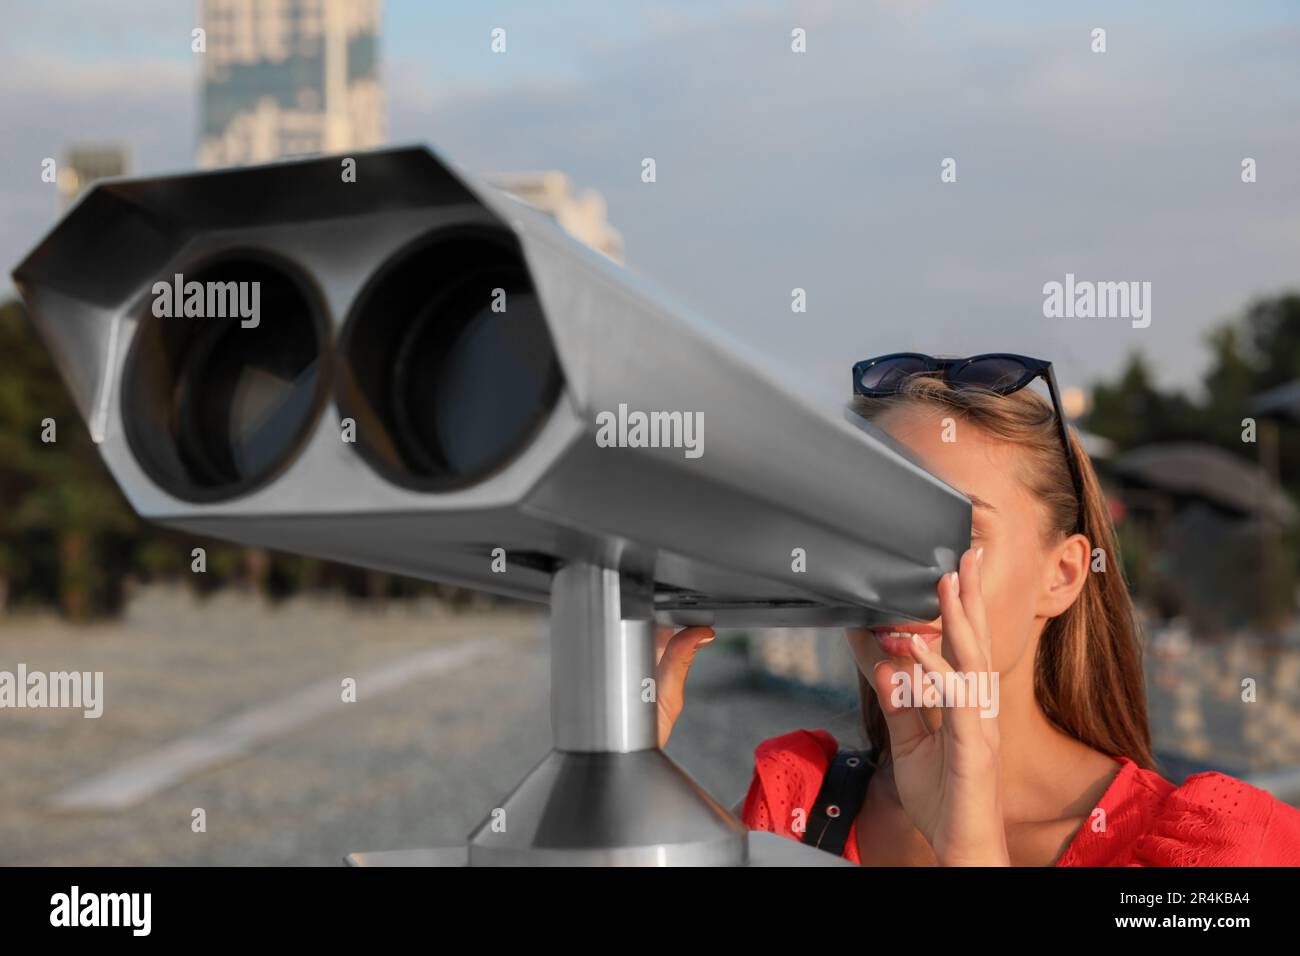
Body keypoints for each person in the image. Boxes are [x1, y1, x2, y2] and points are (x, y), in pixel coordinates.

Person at [655, 353, 1300, 866]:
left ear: (1064, 574)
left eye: (952, 531)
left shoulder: (1217, 857)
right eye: (865, 527)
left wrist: (971, 855)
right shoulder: (795, 812)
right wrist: (617, 761)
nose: (897, 570)